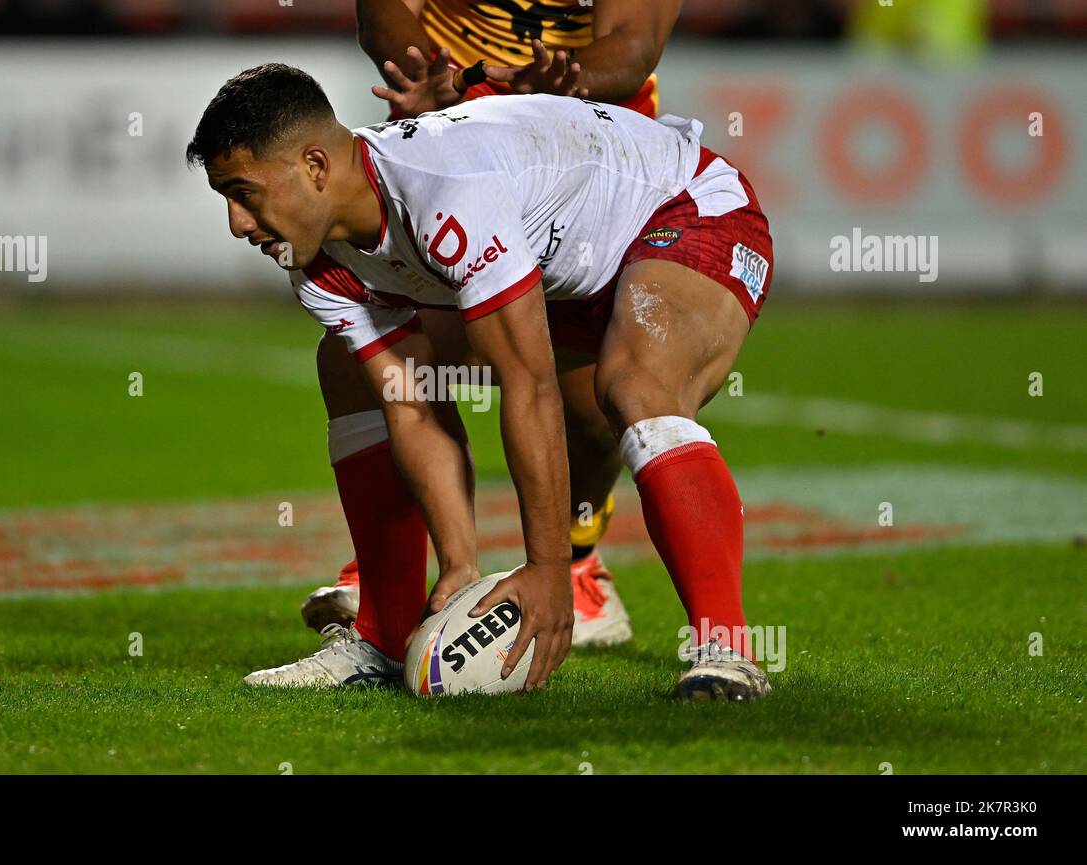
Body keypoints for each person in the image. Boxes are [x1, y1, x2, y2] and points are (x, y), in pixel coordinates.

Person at [187, 64, 773, 700]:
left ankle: (726, 650)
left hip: (682, 206)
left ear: (316, 167)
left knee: (634, 388)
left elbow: (529, 384)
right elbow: (411, 405)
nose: (237, 223)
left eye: (244, 193)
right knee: (349, 370)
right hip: (564, 264)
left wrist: (546, 572)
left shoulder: (446, 191)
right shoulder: (319, 264)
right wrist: (460, 564)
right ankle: (382, 637)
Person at [300, 0, 683, 647]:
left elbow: (632, 47)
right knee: (366, 361)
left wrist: (542, 90)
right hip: (451, 160)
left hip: (583, 180)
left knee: (593, 407)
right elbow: (386, 24)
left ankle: (580, 561)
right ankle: (389, 585)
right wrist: (458, 82)